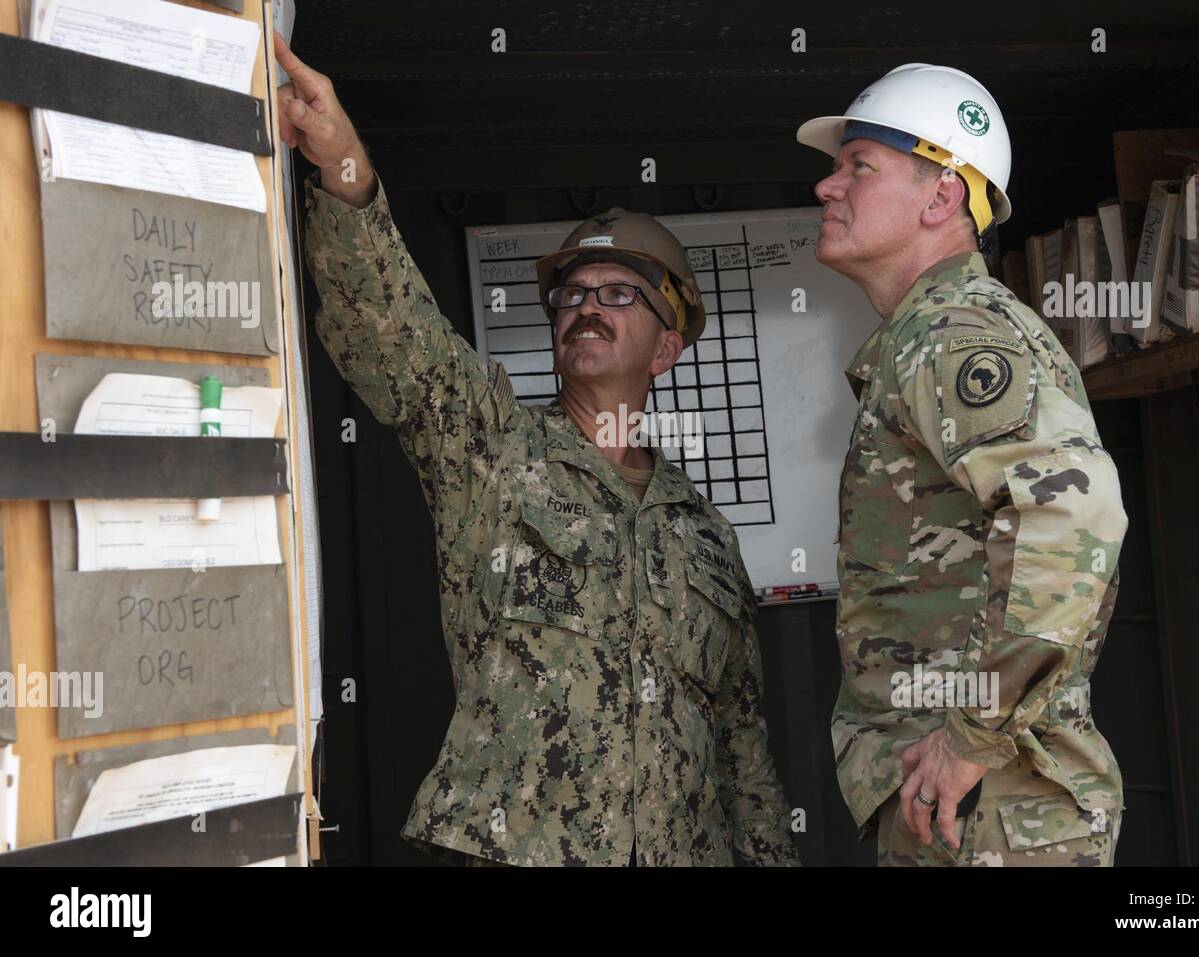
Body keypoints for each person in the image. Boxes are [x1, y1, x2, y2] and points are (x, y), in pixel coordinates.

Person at [274, 33, 798, 866]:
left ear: (666, 348)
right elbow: (393, 334)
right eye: (573, 294)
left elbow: (742, 747)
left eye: (620, 293)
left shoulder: (706, 539)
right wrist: (343, 163)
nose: (587, 306)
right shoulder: (489, 445)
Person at [798, 63, 1127, 866]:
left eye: (858, 166)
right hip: (965, 807)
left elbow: (1071, 513)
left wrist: (973, 738)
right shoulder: (926, 335)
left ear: (941, 196)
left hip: (989, 808)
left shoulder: (953, 333)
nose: (826, 187)